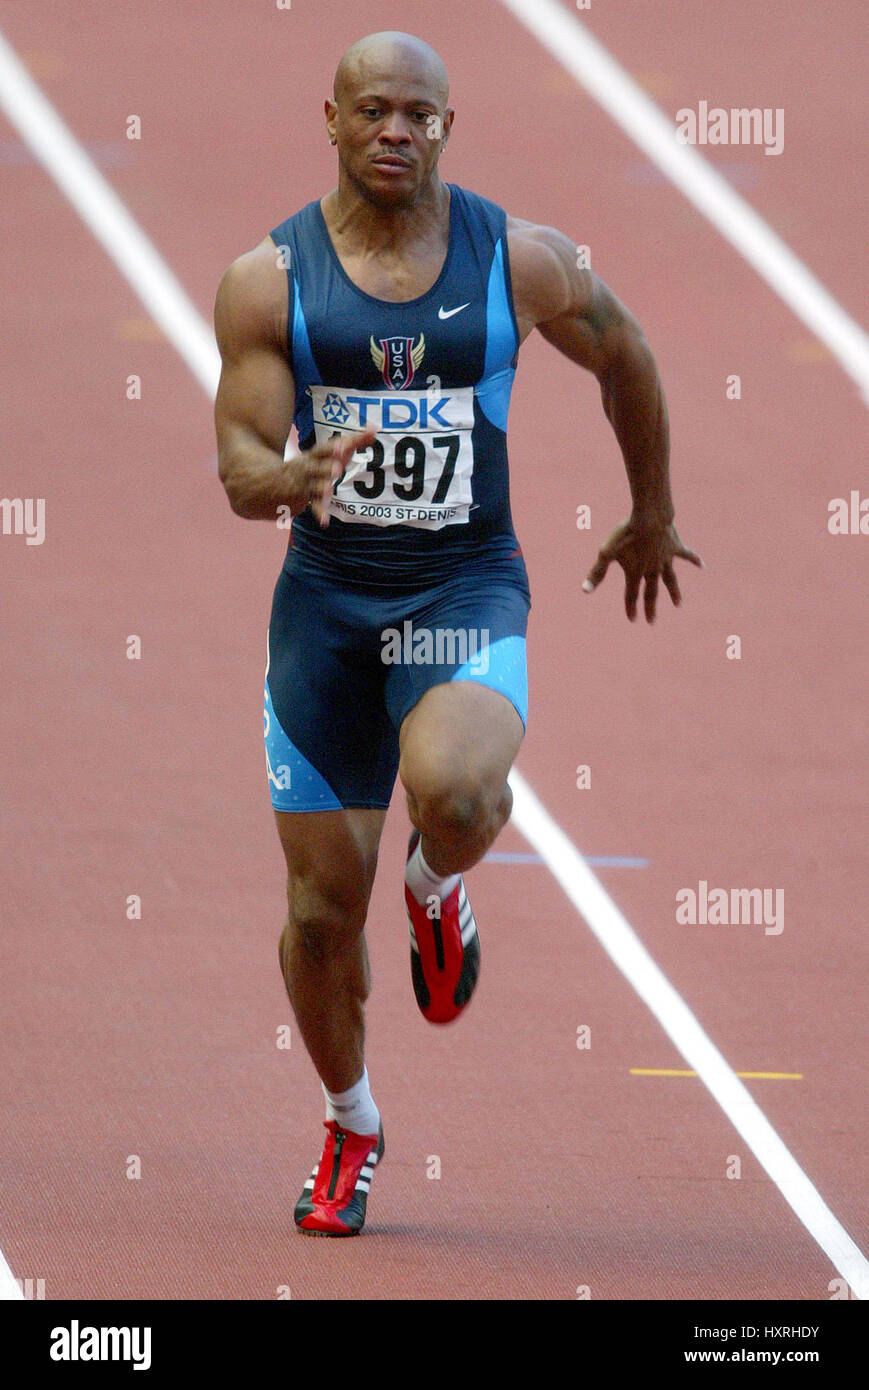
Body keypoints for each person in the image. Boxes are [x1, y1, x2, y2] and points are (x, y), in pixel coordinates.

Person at [213, 30, 702, 1237]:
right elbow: (235, 463)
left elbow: (624, 349)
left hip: (459, 591)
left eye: (417, 114)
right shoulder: (268, 282)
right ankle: (353, 1121)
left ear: (447, 126)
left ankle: (437, 887)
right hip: (325, 611)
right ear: (327, 118)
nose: (394, 131)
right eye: (372, 110)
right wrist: (288, 479)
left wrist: (650, 511)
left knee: (458, 792)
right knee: (322, 915)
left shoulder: (516, 262)